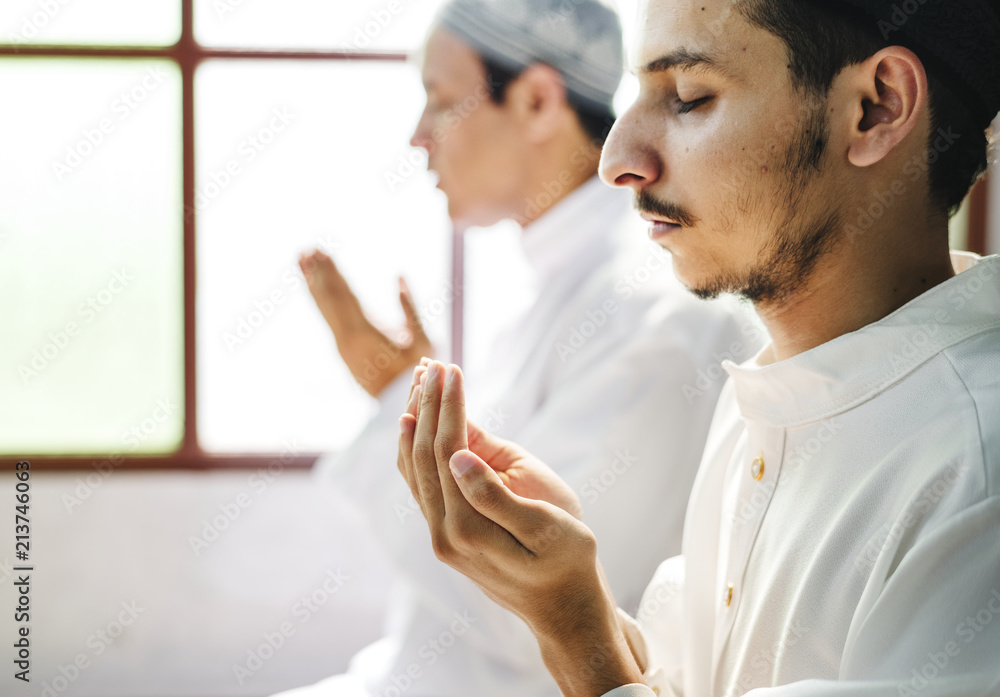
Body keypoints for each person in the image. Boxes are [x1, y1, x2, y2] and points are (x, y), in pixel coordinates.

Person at [397, 0, 1000, 696]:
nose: (617, 160)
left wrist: (574, 625)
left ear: (875, 108)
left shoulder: (976, 468)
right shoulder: (764, 401)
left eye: (688, 98)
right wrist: (570, 601)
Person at [282, 1, 759, 696]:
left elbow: (534, 619)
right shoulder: (558, 299)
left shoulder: (657, 318)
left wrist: (396, 399)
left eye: (442, 102)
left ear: (537, 100)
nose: (419, 137)